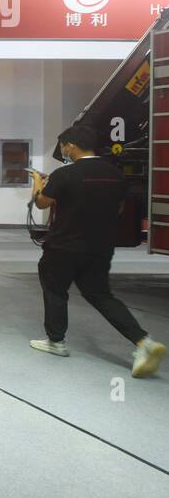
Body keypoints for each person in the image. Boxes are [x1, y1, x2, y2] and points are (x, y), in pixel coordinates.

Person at [29, 124, 164, 377]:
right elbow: (119, 209)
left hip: (63, 247)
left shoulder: (64, 174)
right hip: (100, 248)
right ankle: (143, 342)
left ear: (71, 146)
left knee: (55, 291)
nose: (63, 151)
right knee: (101, 295)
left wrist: (38, 183)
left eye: (63, 147)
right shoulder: (115, 175)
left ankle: (56, 342)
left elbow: (41, 203)